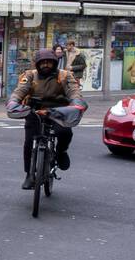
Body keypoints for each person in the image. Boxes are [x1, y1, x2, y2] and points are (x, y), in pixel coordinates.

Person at [7, 48, 84, 189]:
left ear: (55, 63)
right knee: (29, 141)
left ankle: (61, 152)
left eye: (49, 62)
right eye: (43, 63)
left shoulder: (65, 75)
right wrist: (13, 102)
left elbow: (74, 92)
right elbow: (20, 91)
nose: (46, 65)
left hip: (58, 111)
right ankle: (29, 175)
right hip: (35, 111)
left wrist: (76, 103)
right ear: (37, 64)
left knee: (65, 132)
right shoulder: (29, 75)